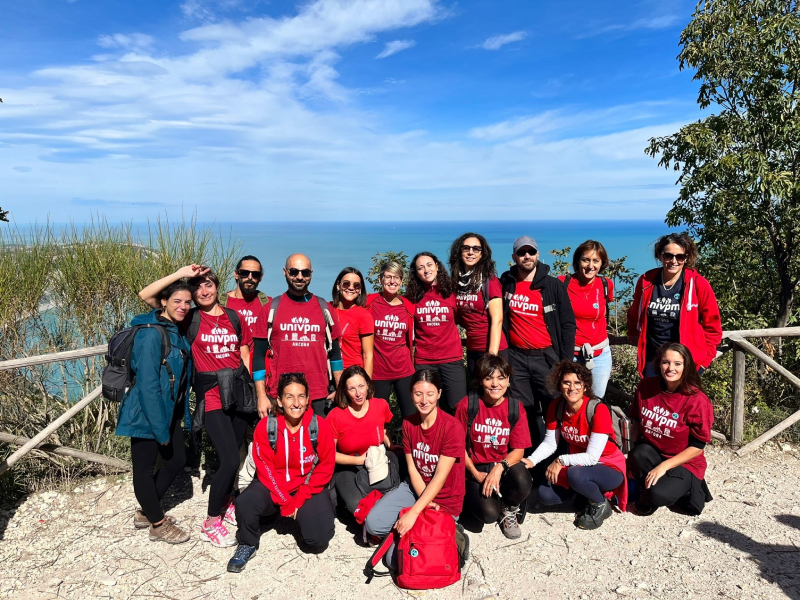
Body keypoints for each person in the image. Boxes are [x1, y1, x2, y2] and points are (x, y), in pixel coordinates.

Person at [139, 265, 254, 548]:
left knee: (235, 453)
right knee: (227, 459)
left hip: (239, 393)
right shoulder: (188, 317)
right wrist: (180, 273)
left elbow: (244, 352)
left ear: (218, 287)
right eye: (197, 287)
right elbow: (147, 296)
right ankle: (211, 522)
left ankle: (226, 502)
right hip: (211, 395)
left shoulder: (234, 317)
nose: (203, 291)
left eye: (209, 285)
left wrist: (254, 391)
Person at [227, 373, 336, 573]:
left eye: (301, 396)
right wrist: (285, 500)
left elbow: (326, 466)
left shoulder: (318, 426)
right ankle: (248, 542)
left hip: (306, 486)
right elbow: (265, 468)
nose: (296, 403)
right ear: (279, 400)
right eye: (289, 396)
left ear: (308, 399)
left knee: (319, 537)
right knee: (245, 503)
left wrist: (299, 499)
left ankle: (296, 515)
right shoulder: (266, 427)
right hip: (273, 484)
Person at [364, 369, 468, 569]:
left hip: (444, 499)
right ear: (411, 394)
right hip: (415, 489)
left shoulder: (452, 427)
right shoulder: (408, 424)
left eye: (430, 394)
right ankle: (422, 529)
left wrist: (413, 513)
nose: (424, 400)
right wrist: (421, 506)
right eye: (418, 394)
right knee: (373, 523)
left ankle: (451, 531)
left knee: (395, 559)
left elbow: (439, 476)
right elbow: (413, 469)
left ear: (439, 393)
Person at [116, 281, 193, 544]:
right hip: (146, 413)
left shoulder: (173, 330)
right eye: (177, 301)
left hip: (167, 410)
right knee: (145, 469)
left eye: (187, 302)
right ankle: (158, 524)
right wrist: (161, 430)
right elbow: (148, 384)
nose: (183, 307)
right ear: (162, 302)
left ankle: (146, 512)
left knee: (176, 460)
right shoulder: (150, 334)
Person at [500, 235, 576, 476]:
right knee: (525, 412)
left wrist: (565, 363)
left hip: (547, 358)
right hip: (517, 358)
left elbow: (567, 324)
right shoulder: (506, 283)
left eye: (530, 252)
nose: (526, 257)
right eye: (521, 253)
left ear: (537, 255)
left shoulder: (552, 286)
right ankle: (531, 465)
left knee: (555, 409)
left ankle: (559, 462)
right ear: (514, 258)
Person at [523, 360, 627, 530]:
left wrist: (561, 461)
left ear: (585, 386)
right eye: (567, 382)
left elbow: (593, 457)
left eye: (578, 383)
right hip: (578, 463)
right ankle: (585, 493)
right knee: (545, 495)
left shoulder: (597, 409)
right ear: (560, 385)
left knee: (576, 474)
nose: (572, 388)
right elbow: (550, 443)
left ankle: (600, 504)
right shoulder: (556, 407)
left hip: (608, 465)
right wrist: (532, 460)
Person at [252, 254, 343, 418]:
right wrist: (261, 397)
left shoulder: (324, 308)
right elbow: (258, 358)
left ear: (311, 274)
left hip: (317, 395)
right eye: (294, 272)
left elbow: (335, 355)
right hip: (280, 396)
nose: (299, 277)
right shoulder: (270, 309)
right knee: (281, 443)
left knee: (317, 443)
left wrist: (340, 390)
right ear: (285, 272)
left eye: (305, 272)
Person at [628, 342, 714, 516]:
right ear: (659, 364)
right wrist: (628, 452)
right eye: (666, 362)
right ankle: (647, 490)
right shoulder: (646, 386)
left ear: (686, 366)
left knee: (660, 495)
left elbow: (698, 447)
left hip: (685, 461)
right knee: (638, 453)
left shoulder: (696, 400)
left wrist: (663, 467)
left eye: (677, 364)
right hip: (653, 453)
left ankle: (692, 489)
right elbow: (636, 419)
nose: (670, 368)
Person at [455, 354, 531, 539]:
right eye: (489, 378)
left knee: (523, 479)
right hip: (475, 466)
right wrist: (474, 473)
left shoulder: (515, 407)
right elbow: (457, 446)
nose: (495, 384)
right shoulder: (468, 405)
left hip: (502, 463)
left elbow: (519, 449)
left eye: (501, 378)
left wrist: (499, 467)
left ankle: (509, 508)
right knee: (488, 515)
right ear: (481, 381)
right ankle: (475, 501)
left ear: (508, 380)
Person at [627, 233, 722, 377]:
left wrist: (703, 362)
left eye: (680, 256)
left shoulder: (697, 284)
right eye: (668, 255)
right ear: (659, 255)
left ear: (686, 258)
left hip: (684, 363)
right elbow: (635, 313)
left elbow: (713, 326)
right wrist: (633, 335)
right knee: (652, 399)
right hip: (653, 360)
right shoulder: (647, 281)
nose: (673, 261)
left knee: (681, 400)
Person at [326, 366, 397, 515]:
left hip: (376, 459)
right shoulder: (336, 416)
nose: (358, 393)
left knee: (393, 491)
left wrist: (392, 445)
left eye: (361, 386)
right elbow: (329, 454)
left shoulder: (380, 405)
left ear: (368, 385)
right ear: (345, 391)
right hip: (349, 465)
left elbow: (383, 429)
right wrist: (359, 461)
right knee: (358, 506)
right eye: (352, 389)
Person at [405, 252, 468, 414]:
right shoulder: (412, 297)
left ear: (437, 266)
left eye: (429, 265)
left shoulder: (451, 292)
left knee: (458, 406)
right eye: (421, 267)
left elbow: (465, 319)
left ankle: (458, 439)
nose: (426, 270)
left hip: (452, 358)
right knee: (427, 408)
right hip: (424, 360)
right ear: (416, 273)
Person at [558, 240, 614, 399]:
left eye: (596, 260)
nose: (591, 265)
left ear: (602, 263)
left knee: (595, 402)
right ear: (577, 261)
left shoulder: (605, 284)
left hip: (600, 354)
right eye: (586, 260)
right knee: (570, 400)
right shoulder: (563, 283)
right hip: (571, 354)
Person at [448, 232, 508, 373]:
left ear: (482, 254)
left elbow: (497, 320)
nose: (470, 252)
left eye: (476, 249)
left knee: (495, 391)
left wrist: (491, 356)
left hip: (493, 350)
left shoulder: (489, 281)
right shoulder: (457, 283)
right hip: (472, 348)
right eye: (466, 248)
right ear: (459, 251)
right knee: (476, 392)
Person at [366, 261, 416, 418]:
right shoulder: (369, 302)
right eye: (388, 277)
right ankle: (383, 444)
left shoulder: (408, 306)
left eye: (396, 277)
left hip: (404, 370)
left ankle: (408, 443)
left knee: (411, 415)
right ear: (380, 280)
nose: (392, 281)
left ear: (401, 281)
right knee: (377, 417)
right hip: (378, 372)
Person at [331, 267, 374, 376]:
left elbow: (368, 355)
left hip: (352, 375)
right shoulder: (326, 309)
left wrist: (366, 384)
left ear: (360, 290)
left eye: (356, 285)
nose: (351, 288)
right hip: (328, 372)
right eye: (346, 284)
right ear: (338, 285)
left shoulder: (364, 315)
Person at [220, 255, 270, 338]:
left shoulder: (269, 304)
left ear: (261, 277)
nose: (250, 277)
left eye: (255, 274)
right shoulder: (220, 303)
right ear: (236, 274)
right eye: (245, 273)